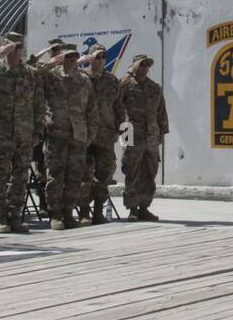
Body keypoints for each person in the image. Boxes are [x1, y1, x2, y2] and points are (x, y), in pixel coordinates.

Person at [0, 32, 43, 233]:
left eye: (19, 46)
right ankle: (0, 217)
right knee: (0, 175)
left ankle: (14, 216)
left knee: (21, 176)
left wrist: (38, 130)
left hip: (24, 132)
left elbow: (38, 103)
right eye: (11, 46)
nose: (16, 50)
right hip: (1, 132)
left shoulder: (30, 73)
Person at [43, 45, 92, 230]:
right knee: (56, 175)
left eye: (75, 56)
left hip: (78, 134)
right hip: (57, 133)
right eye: (68, 56)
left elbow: (91, 109)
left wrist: (90, 133)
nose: (72, 60)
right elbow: (34, 78)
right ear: (62, 57)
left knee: (74, 176)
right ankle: (55, 213)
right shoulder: (51, 76)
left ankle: (68, 212)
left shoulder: (84, 81)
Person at [118, 55, 167, 221]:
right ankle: (132, 208)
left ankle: (144, 207)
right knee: (131, 170)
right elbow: (116, 106)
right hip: (129, 131)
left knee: (150, 171)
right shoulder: (125, 84)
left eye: (147, 65)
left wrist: (161, 132)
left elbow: (161, 112)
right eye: (141, 65)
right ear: (134, 66)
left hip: (151, 135)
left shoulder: (154, 87)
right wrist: (120, 131)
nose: (145, 68)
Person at [81, 46, 122, 224]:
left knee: (105, 173)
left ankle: (98, 211)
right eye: (97, 57)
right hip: (86, 135)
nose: (100, 60)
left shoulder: (112, 80)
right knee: (84, 174)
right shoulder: (82, 79)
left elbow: (119, 107)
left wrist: (122, 129)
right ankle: (83, 212)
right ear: (90, 58)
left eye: (103, 57)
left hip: (106, 134)